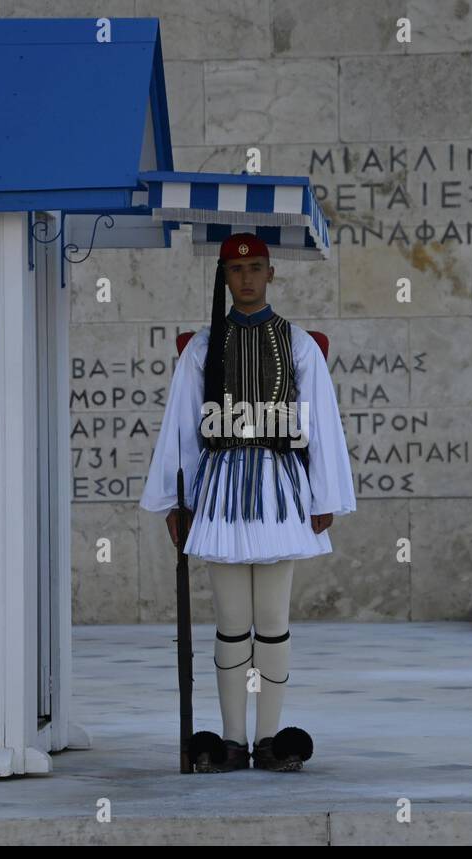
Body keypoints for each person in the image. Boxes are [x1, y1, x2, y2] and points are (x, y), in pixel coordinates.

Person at [138, 231, 356, 772]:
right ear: (224, 277)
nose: (248, 278)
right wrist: (175, 499)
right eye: (237, 271)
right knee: (232, 622)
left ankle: (269, 739)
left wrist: (323, 494)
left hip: (281, 490)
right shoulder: (201, 347)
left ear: (271, 274)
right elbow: (184, 426)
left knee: (272, 621)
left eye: (257, 268)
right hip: (221, 493)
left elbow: (319, 423)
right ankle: (233, 741)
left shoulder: (300, 344)